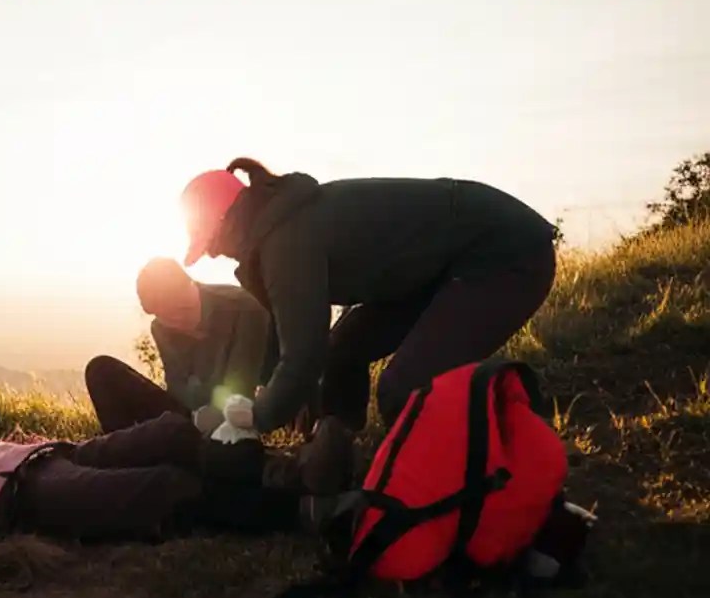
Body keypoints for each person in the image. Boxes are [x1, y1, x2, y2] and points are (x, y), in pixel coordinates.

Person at [179, 159, 558, 438]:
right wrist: (269, 397)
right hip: (437, 270)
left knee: (404, 388)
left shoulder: (287, 241)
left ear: (228, 220)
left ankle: (518, 438)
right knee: (342, 349)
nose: (214, 255)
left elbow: (303, 355)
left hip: (504, 256)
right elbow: (293, 333)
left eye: (210, 244)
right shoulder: (279, 226)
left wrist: (258, 417)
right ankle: (333, 445)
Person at [0, 413, 343, 543]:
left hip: (54, 454)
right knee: (163, 486)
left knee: (171, 431)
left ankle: (288, 472)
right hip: (21, 494)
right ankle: (301, 512)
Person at [84, 257, 279, 434]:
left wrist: (197, 393)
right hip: (188, 420)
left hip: (228, 425)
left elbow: (239, 392)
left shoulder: (243, 309)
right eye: (169, 317)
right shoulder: (161, 328)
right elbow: (177, 387)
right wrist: (195, 404)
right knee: (101, 369)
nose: (180, 321)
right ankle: (127, 450)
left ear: (190, 285)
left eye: (184, 309)